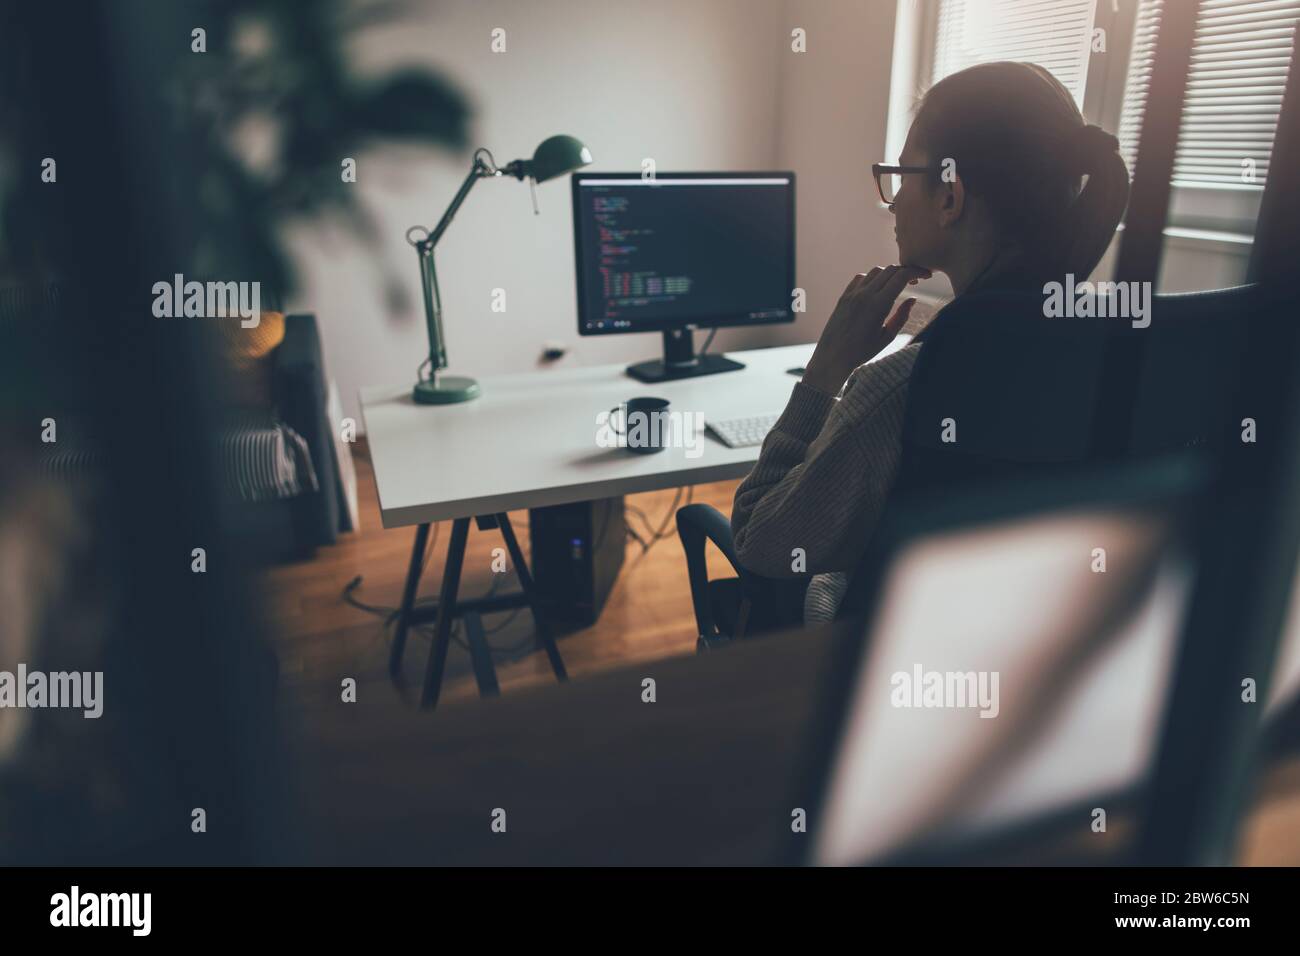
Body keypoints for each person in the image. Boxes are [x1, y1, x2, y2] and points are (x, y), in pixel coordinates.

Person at [730, 61, 1131, 624]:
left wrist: (825, 370)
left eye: (899, 175)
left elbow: (758, 541)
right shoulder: (1110, 346)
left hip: (871, 665)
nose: (892, 202)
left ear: (950, 197)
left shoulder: (900, 388)